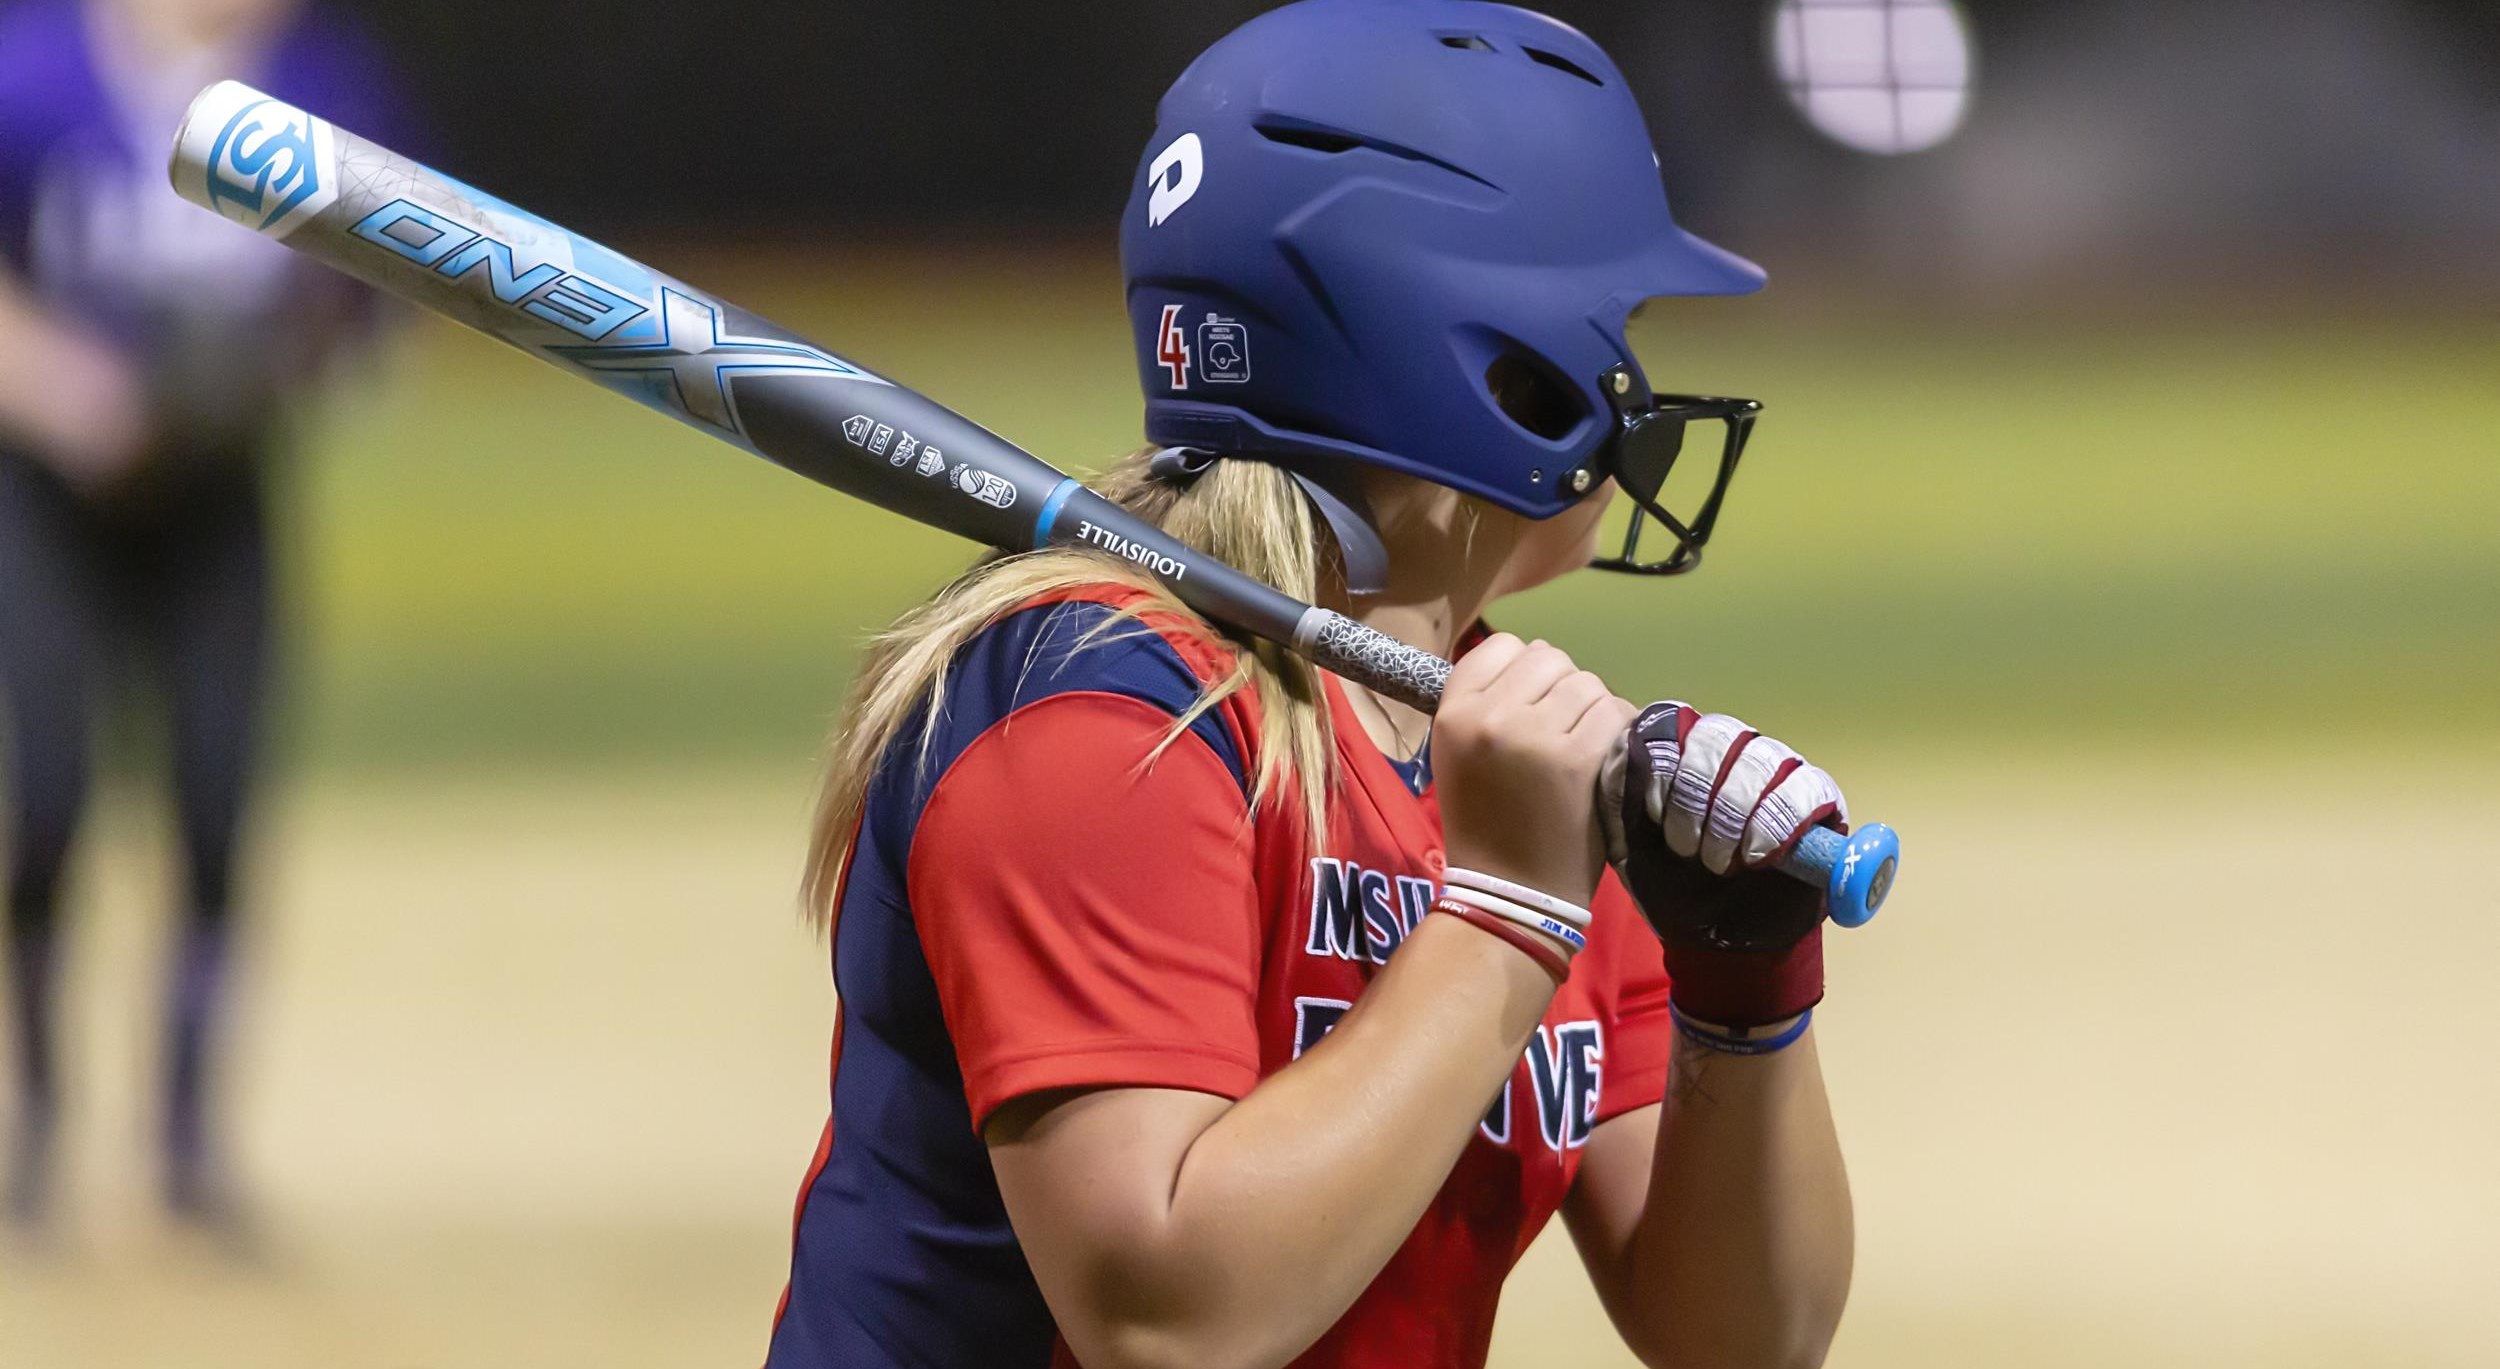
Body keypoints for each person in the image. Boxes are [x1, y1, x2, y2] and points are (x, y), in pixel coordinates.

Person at [766, 3, 1855, 1366]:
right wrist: (1508, 914)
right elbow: (1166, 1317)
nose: (1641, 381)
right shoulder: (1101, 714)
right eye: (1614, 322)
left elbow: (1743, 1338)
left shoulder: (1509, 745)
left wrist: (1742, 991)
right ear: (1491, 364)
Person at [0, 0, 394, 1235]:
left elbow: (367, 300)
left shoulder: (322, 77)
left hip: (220, 503)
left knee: (218, 806)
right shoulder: (36, 63)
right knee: (50, 798)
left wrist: (270, 369)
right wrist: (68, 390)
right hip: (51, 497)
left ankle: (186, 1145)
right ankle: (42, 1134)